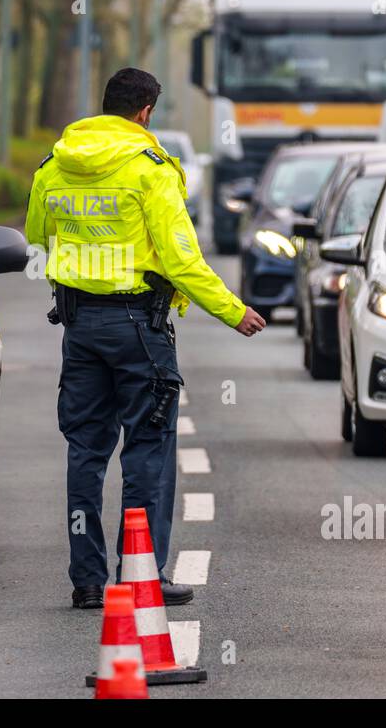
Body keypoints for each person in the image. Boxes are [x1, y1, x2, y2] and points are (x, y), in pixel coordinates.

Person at [26, 68, 266, 610]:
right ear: (145, 112)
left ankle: (86, 580)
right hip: (140, 325)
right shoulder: (150, 169)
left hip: (79, 325)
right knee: (147, 451)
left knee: (85, 451)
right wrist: (233, 312)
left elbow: (39, 238)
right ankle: (140, 578)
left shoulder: (55, 165)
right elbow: (182, 259)